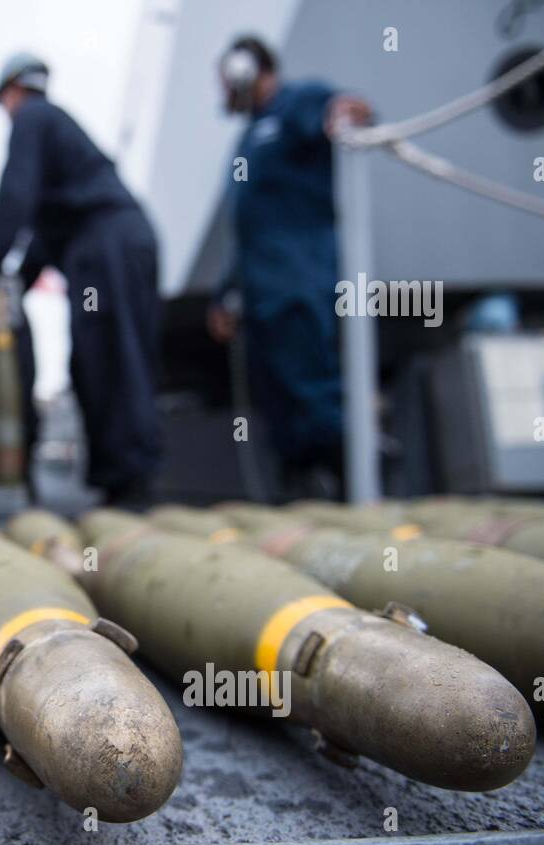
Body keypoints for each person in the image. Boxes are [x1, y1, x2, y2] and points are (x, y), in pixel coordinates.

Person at [0, 54, 163, 509]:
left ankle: (132, 483)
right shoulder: (56, 135)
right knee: (96, 358)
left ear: (13, 92)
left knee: (116, 356)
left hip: (108, 245)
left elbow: (15, 193)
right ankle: (119, 478)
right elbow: (39, 237)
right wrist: (15, 282)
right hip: (108, 245)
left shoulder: (33, 118)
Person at [206, 36, 371, 499]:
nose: (224, 94)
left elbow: (337, 112)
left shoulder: (296, 104)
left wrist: (343, 113)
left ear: (246, 70)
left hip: (299, 282)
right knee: (279, 404)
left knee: (314, 392)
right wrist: (226, 293)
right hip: (260, 295)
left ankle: (355, 490)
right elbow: (245, 226)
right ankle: (303, 499)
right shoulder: (249, 137)